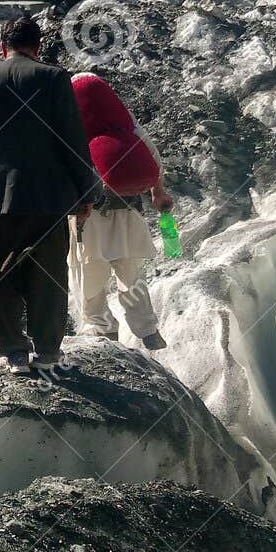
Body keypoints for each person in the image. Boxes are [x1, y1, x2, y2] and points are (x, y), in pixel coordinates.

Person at [0, 16, 99, 375]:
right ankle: (48, 351)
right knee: (48, 274)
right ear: (38, 47)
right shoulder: (52, 78)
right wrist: (87, 192)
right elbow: (72, 141)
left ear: (3, 47)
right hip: (44, 194)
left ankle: (14, 352)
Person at [69, 72, 170, 351]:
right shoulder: (124, 122)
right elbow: (153, 156)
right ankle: (149, 332)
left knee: (90, 273)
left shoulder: (72, 122)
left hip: (90, 215)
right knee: (131, 274)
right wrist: (158, 191)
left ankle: (103, 331)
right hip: (127, 210)